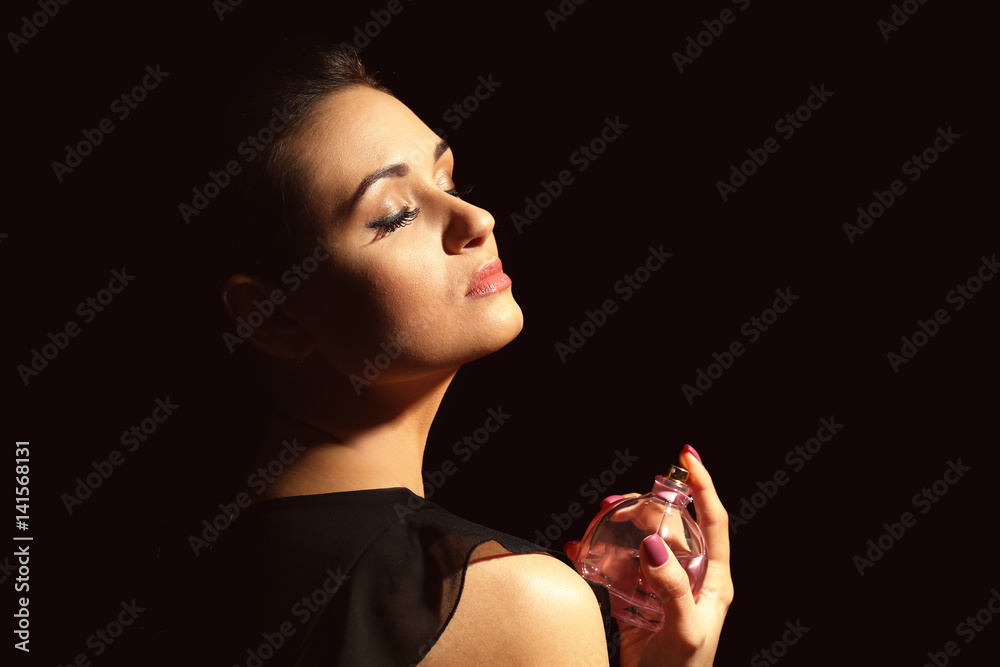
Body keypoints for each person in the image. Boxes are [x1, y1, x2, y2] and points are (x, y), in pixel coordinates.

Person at [203, 44, 733, 666]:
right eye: (395, 215)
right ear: (274, 314)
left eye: (448, 179)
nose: (476, 218)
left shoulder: (178, 565)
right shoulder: (520, 604)